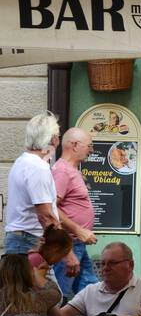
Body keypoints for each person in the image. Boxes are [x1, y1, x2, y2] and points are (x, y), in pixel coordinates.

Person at [49, 242, 141, 316]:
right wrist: (46, 298)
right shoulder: (90, 291)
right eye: (102, 263)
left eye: (112, 263)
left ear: (130, 265)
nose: (105, 268)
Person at [4, 112, 61, 256]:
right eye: (58, 136)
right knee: (41, 279)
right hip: (29, 240)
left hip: (22, 238)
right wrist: (66, 252)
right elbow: (45, 216)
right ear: (53, 139)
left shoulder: (22, 161)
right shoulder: (38, 167)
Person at [51, 127, 98, 297]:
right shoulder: (62, 171)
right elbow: (51, 208)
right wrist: (78, 230)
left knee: (90, 292)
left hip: (77, 244)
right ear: (75, 145)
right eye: (89, 146)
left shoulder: (71, 170)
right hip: (68, 243)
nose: (91, 150)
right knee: (59, 295)